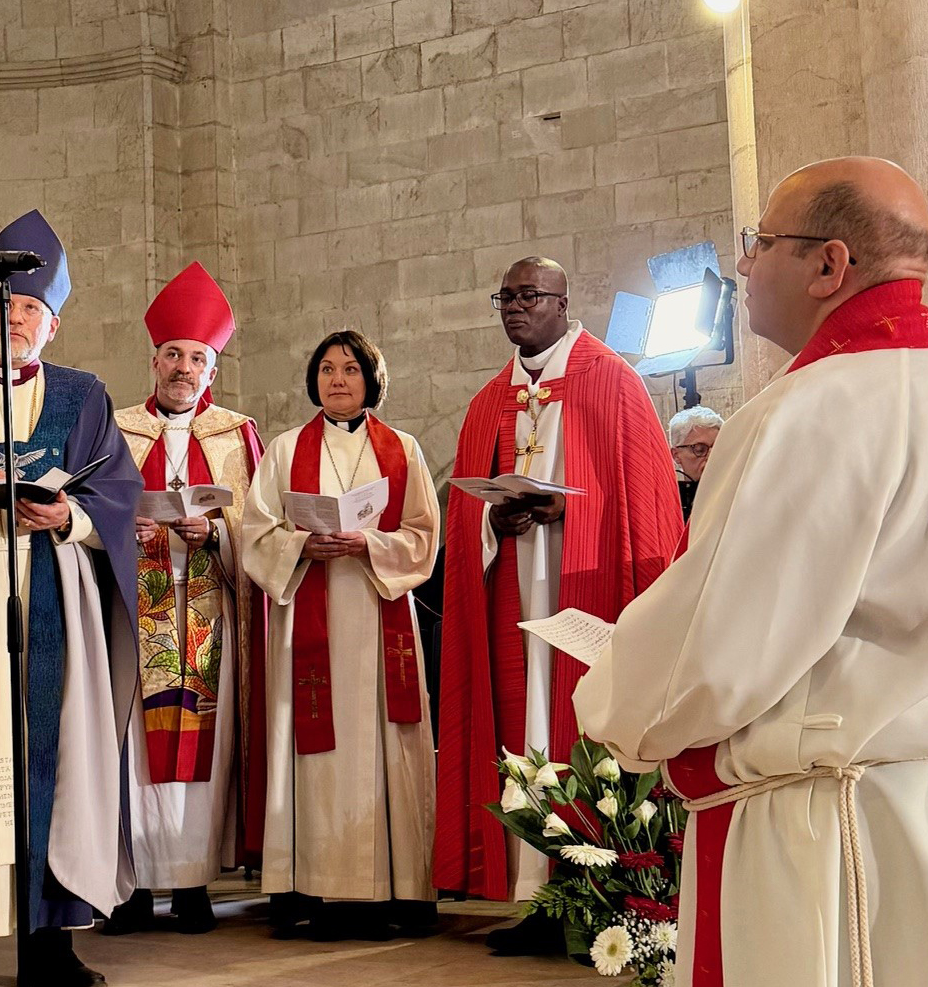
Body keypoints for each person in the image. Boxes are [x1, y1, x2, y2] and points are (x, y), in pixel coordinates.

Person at [573, 157, 928, 987]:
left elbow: (719, 643)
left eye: (760, 243)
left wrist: (613, 695)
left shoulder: (807, 411)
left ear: (829, 265)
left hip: (838, 835)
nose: (746, 265)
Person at [435, 257, 685, 952]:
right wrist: (495, 522)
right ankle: (538, 896)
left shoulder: (614, 383)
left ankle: (600, 894)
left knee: (584, 731)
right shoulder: (490, 401)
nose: (516, 308)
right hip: (513, 595)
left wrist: (572, 510)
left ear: (563, 301)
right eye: (505, 298)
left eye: (529, 296)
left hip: (589, 587)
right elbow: (463, 525)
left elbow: (648, 508)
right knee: (526, 734)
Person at [0, 210, 138, 987]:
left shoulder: (84, 396)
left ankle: (51, 943)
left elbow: (118, 493)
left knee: (53, 759)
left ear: (53, 324)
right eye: (4, 308)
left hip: (50, 592)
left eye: (32, 311)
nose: (16, 319)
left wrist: (70, 514)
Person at [240, 330, 441, 940]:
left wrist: (369, 543)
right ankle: (316, 884)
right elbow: (256, 531)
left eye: (350, 369)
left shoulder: (402, 449)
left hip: (380, 615)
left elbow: (425, 536)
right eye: (326, 369)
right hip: (311, 615)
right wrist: (304, 543)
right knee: (317, 752)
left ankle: (394, 889)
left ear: (370, 378)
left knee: (387, 744)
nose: (336, 380)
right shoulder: (283, 450)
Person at [107, 261, 266, 936]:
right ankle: (136, 883)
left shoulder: (235, 433)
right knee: (136, 748)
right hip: (136, 605)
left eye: (196, 356)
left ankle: (194, 880)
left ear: (213, 368)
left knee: (203, 743)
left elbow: (259, 526)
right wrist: (127, 526)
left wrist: (217, 528)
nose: (183, 366)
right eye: (172, 353)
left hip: (207, 602)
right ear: (154, 358)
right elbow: (93, 509)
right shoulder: (115, 427)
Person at [666, 405, 721, 521]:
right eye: (700, 449)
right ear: (676, 455)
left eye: (718, 448)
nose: (711, 457)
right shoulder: (666, 505)